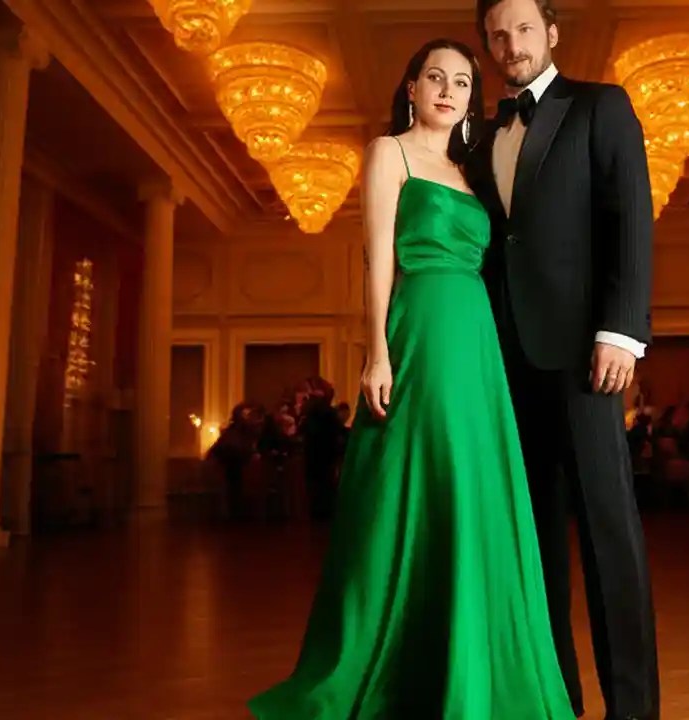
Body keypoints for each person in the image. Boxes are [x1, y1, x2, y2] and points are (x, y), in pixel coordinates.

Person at [247, 38, 575, 719]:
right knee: (419, 481)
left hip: (475, 338)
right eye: (436, 77)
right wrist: (377, 352)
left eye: (461, 81)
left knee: (474, 487)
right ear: (412, 87)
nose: (450, 89)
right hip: (419, 325)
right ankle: (398, 659)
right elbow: (376, 262)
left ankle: (476, 664)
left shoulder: (472, 169)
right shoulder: (388, 152)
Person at [466, 1, 660, 718]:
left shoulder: (599, 106)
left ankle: (634, 710)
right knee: (534, 547)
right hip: (505, 367)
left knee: (610, 539)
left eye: (522, 29)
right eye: (495, 34)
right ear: (486, 45)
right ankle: (556, 701)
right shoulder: (481, 135)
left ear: (550, 33)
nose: (509, 44)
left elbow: (629, 216)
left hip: (585, 357)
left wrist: (621, 331)